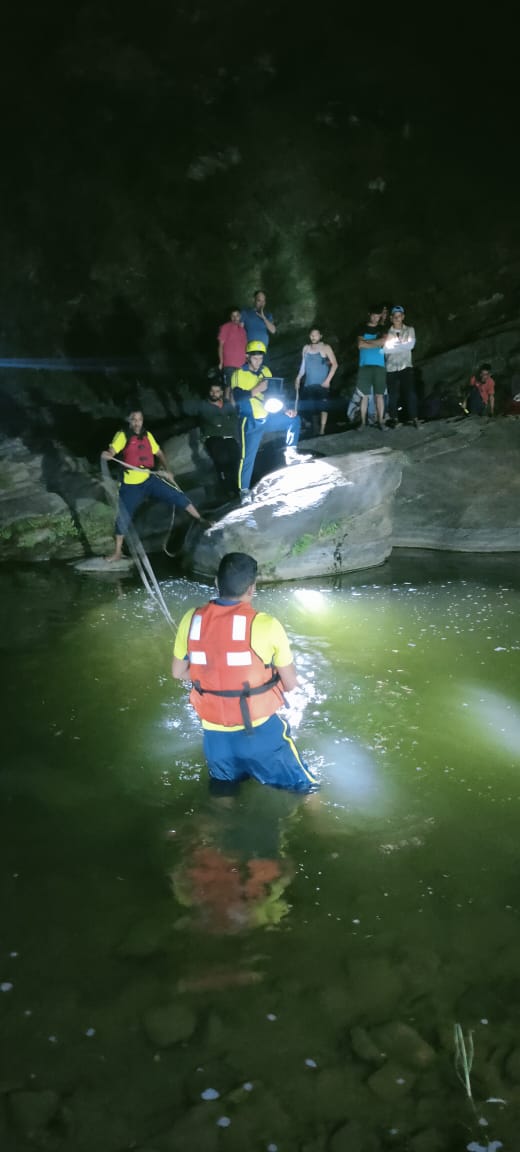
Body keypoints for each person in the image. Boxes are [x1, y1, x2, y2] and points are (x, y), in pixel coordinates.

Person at [171, 552, 318, 793]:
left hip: (215, 738)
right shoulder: (266, 624)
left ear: (217, 582)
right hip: (260, 734)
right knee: (307, 790)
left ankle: (209, 828)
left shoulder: (191, 619)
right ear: (252, 589)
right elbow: (290, 684)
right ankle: (325, 829)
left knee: (223, 796)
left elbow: (178, 672)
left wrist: (209, 677)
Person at [102, 410, 203, 562]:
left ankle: (201, 519)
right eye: (134, 420)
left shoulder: (147, 435)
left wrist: (167, 470)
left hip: (149, 479)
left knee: (176, 494)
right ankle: (117, 552)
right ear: (129, 421)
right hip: (131, 484)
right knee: (123, 517)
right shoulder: (122, 435)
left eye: (139, 419)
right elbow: (112, 450)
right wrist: (108, 454)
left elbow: (159, 453)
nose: (137, 423)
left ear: (142, 421)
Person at [231, 340, 303, 501]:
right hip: (250, 420)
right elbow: (238, 397)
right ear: (247, 357)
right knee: (247, 456)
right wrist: (257, 388)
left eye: (260, 358)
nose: (258, 361)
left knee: (294, 419)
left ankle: (291, 454)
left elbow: (274, 395)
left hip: (268, 416)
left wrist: (285, 410)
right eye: (255, 358)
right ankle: (243, 491)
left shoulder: (266, 371)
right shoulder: (238, 374)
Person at [196, 381, 240, 498]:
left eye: (217, 391)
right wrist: (225, 420)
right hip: (214, 438)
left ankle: (238, 487)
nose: (214, 394)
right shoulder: (204, 405)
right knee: (222, 462)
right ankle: (227, 491)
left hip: (229, 437)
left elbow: (234, 419)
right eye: (212, 391)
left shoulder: (227, 404)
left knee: (236, 460)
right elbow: (214, 422)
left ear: (221, 392)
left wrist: (224, 421)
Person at [295, 327, 338, 435]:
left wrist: (328, 381)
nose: (313, 337)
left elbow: (335, 364)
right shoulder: (306, 348)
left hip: (322, 383)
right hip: (309, 383)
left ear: (320, 336)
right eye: (311, 335)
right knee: (312, 408)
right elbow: (303, 366)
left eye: (316, 334)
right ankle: (315, 429)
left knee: (323, 407)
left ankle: (322, 430)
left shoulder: (325, 347)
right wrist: (298, 377)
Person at [384, 305, 419, 427]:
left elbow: (411, 345)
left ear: (403, 316)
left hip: (406, 365)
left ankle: (413, 417)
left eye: (399, 316)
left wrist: (394, 346)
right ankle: (394, 418)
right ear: (391, 318)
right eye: (395, 316)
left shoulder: (409, 330)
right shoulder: (387, 332)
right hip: (391, 367)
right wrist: (402, 345)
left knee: (410, 392)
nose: (397, 318)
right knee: (393, 394)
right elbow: (386, 349)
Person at [356, 306, 387, 430]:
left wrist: (368, 343)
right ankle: (363, 423)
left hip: (379, 365)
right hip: (364, 364)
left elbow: (383, 342)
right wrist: (376, 342)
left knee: (379, 395)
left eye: (378, 315)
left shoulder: (382, 328)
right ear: (369, 314)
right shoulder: (361, 327)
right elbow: (360, 345)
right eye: (373, 315)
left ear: (380, 316)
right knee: (364, 395)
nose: (375, 318)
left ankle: (381, 421)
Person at [217, 307, 247, 397]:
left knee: (239, 388)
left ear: (240, 316)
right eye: (233, 316)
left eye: (237, 315)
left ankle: (236, 409)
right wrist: (221, 362)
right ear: (230, 317)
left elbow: (245, 347)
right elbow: (220, 345)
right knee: (228, 387)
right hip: (229, 363)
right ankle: (226, 408)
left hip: (242, 364)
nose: (235, 318)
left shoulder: (242, 330)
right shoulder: (225, 327)